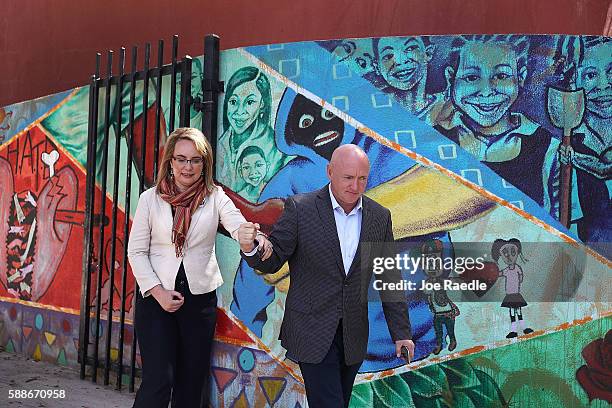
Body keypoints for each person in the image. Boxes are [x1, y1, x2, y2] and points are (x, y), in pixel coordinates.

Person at [237, 144, 414, 408]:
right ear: (330, 171)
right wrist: (250, 248)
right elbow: (274, 261)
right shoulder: (300, 209)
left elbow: (389, 278)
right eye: (348, 177)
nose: (355, 186)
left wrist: (401, 332)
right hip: (311, 332)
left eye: (362, 178)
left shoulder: (379, 217)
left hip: (353, 336)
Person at [127, 127, 272, 408]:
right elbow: (136, 251)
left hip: (199, 302)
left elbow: (237, 223)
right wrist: (158, 293)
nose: (187, 166)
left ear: (204, 163)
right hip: (155, 300)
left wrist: (252, 236)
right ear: (170, 162)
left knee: (191, 385)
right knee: (159, 380)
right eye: (181, 159)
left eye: (195, 160)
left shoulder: (215, 197)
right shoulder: (150, 199)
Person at [435, 35, 559, 211]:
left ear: (521, 77)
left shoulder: (548, 149)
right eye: (471, 77)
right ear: (451, 79)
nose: (486, 92)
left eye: (501, 76)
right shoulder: (433, 141)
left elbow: (563, 225)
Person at [557, 36, 611, 254]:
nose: (603, 85)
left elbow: (605, 168)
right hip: (588, 242)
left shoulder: (573, 151)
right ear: (574, 81)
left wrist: (575, 159)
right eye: (590, 75)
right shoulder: (572, 137)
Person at [217, 66, 288, 192]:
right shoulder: (221, 141)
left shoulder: (275, 148)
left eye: (249, 102)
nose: (239, 112)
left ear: (262, 105)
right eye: (233, 102)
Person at [491, 238, 533, 339]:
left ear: (518, 252)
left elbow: (521, 275)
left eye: (513, 252)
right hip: (509, 295)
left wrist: (520, 279)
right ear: (501, 256)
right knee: (512, 312)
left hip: (516, 294)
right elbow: (500, 274)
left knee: (518, 310)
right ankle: (513, 330)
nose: (509, 256)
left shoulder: (517, 268)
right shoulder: (506, 270)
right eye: (505, 253)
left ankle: (523, 327)